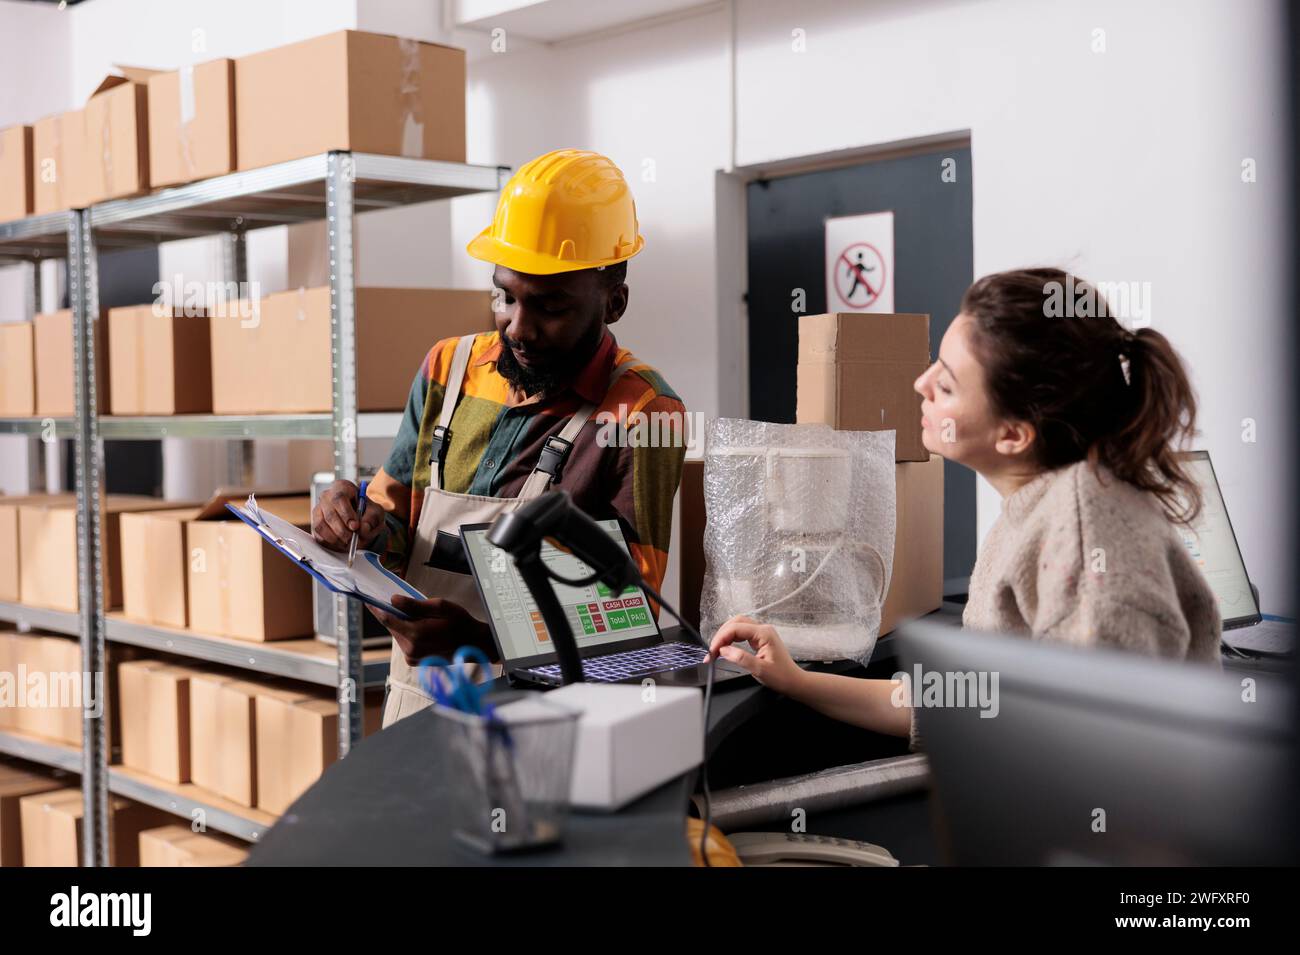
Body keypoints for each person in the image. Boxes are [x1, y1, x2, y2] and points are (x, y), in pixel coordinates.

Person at [707, 267, 1222, 748]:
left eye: (947, 384)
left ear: (1015, 434)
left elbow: (1109, 758)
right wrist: (795, 680)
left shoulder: (1085, 528)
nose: (920, 385)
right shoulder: (1033, 511)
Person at [311, 149, 688, 726]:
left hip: (544, 723)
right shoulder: (447, 367)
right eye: (505, 296)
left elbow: (627, 618)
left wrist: (486, 642)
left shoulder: (642, 412)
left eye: (550, 306)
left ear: (614, 299)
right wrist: (353, 520)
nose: (518, 327)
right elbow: (394, 524)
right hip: (417, 704)